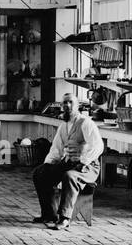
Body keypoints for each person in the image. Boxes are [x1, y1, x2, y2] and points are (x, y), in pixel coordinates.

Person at [32, 98, 104, 230]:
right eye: (65, 102)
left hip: (89, 166)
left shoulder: (86, 123)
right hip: (69, 162)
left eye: (71, 102)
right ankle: (49, 215)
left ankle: (64, 218)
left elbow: (98, 146)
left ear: (77, 106)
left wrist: (84, 161)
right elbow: (57, 148)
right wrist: (48, 164)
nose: (67, 105)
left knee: (69, 176)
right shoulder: (63, 126)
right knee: (40, 173)